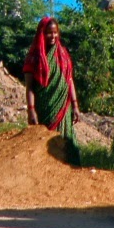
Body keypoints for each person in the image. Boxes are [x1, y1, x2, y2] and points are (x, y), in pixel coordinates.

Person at [22, 16, 80, 145]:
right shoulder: (34, 57)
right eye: (49, 33)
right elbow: (30, 87)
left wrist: (75, 105)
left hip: (63, 108)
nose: (53, 36)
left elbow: (69, 80)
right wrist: (31, 110)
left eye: (55, 32)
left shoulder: (63, 54)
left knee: (64, 143)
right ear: (42, 33)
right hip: (43, 110)